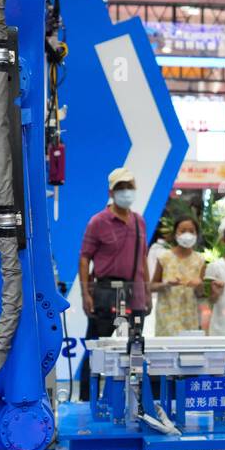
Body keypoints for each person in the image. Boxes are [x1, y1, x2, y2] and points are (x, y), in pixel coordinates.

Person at [78, 167, 150, 401]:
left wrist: (146, 292)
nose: (126, 192)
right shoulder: (98, 222)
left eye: (130, 186)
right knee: (98, 349)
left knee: (135, 349)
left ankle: (133, 400)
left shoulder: (139, 222)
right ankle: (87, 401)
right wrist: (85, 294)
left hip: (135, 293)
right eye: (121, 187)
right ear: (111, 191)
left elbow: (143, 259)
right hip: (106, 292)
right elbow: (85, 258)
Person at [149, 216, 205, 337]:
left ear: (196, 234)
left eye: (191, 231)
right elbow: (151, 286)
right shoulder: (164, 257)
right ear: (175, 234)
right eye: (182, 230)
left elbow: (201, 294)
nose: (187, 234)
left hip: (190, 317)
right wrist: (166, 284)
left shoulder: (200, 260)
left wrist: (199, 285)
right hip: (167, 315)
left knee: (188, 352)